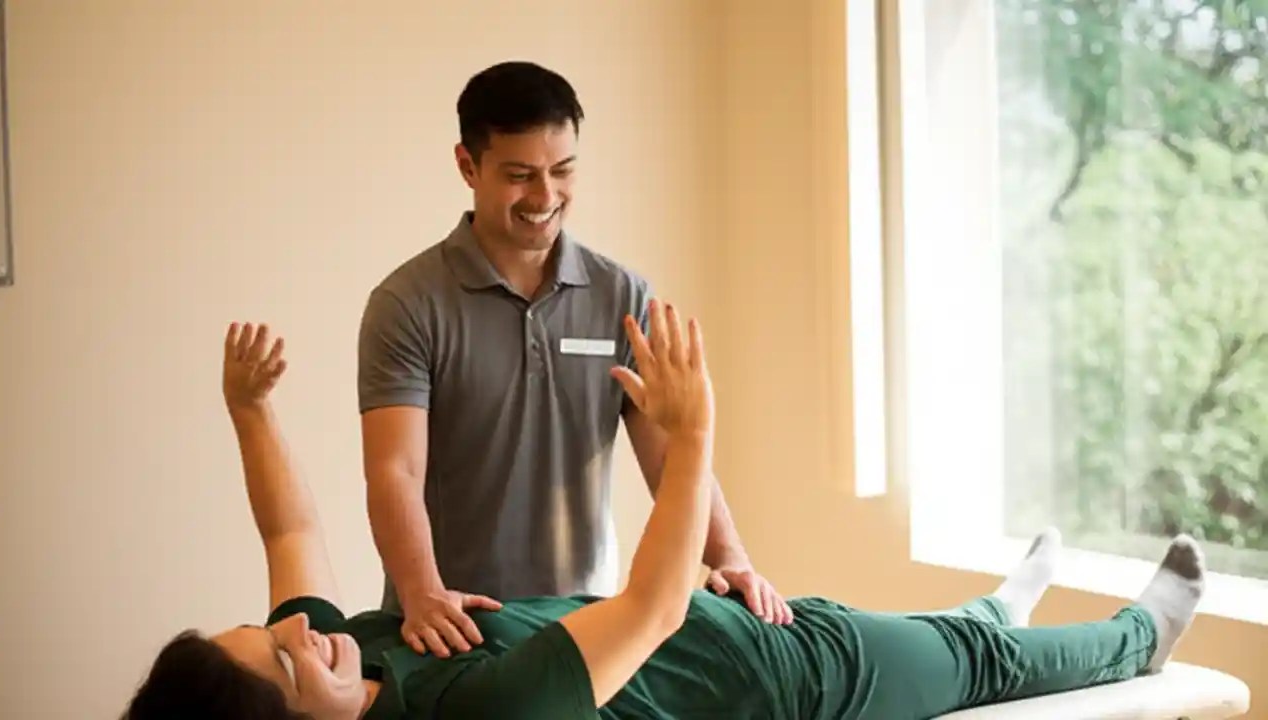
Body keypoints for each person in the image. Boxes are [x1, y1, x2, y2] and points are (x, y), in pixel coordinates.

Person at [124, 307, 1207, 720]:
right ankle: (1142, 634)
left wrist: (248, 410)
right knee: (972, 669)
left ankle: (995, 602)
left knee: (947, 637)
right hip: (776, 683)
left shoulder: (346, 651)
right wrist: (691, 437)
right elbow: (644, 609)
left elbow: (288, 539)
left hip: (731, 622)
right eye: (281, 661)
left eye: (269, 628)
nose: (298, 630)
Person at [355, 59, 788, 661]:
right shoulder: (407, 304)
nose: (545, 196)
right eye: (520, 175)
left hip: (583, 635)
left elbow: (672, 456)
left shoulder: (624, 299)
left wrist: (731, 558)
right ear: (466, 165)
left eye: (562, 170)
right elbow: (394, 470)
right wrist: (421, 591)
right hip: (451, 631)